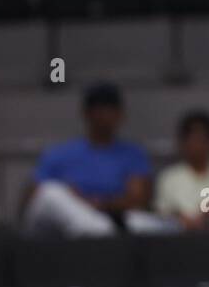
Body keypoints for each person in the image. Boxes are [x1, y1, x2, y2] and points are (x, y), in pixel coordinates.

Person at [22, 83, 174, 237]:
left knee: (159, 225)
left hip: (110, 218)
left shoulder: (132, 154)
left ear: (120, 114)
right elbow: (37, 196)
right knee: (52, 192)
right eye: (99, 110)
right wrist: (72, 198)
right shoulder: (59, 153)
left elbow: (138, 199)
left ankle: (98, 230)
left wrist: (94, 203)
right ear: (87, 114)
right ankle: (98, 230)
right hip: (57, 223)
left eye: (110, 110)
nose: (104, 116)